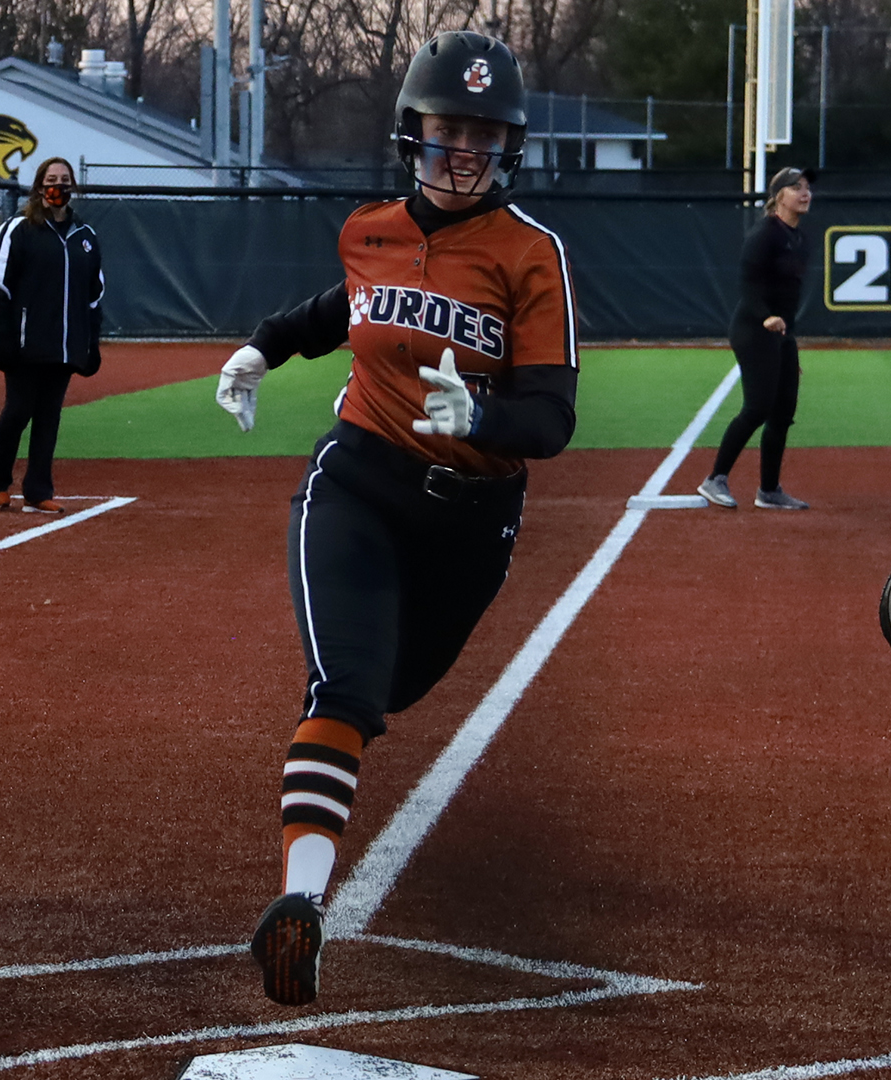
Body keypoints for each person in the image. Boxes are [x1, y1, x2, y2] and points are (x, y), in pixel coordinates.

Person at [213, 31, 578, 1008]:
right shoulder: (369, 229)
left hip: (470, 519)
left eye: (485, 135)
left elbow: (553, 419)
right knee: (345, 690)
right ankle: (300, 907)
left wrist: (484, 418)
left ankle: (323, 822)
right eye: (449, 129)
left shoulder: (532, 254)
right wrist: (262, 348)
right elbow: (342, 307)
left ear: (510, 145)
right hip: (360, 481)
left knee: (398, 685)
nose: (465, 152)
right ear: (412, 130)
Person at [0, 157, 104, 513]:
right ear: (39, 186)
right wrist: (3, 340)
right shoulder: (17, 229)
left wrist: (90, 343)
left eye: (64, 180)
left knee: (49, 416)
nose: (58, 186)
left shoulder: (85, 236)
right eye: (51, 180)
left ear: (73, 186)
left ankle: (37, 490)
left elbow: (94, 296)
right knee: (19, 410)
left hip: (64, 347)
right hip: (24, 344)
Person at [699, 167, 815, 510]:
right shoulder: (765, 234)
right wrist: (766, 316)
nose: (805, 193)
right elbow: (747, 284)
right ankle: (715, 478)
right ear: (779, 196)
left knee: (784, 411)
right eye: (796, 187)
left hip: (782, 333)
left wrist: (789, 344)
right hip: (754, 329)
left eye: (807, 187)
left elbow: (790, 297)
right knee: (758, 407)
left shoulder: (799, 237)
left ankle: (769, 490)